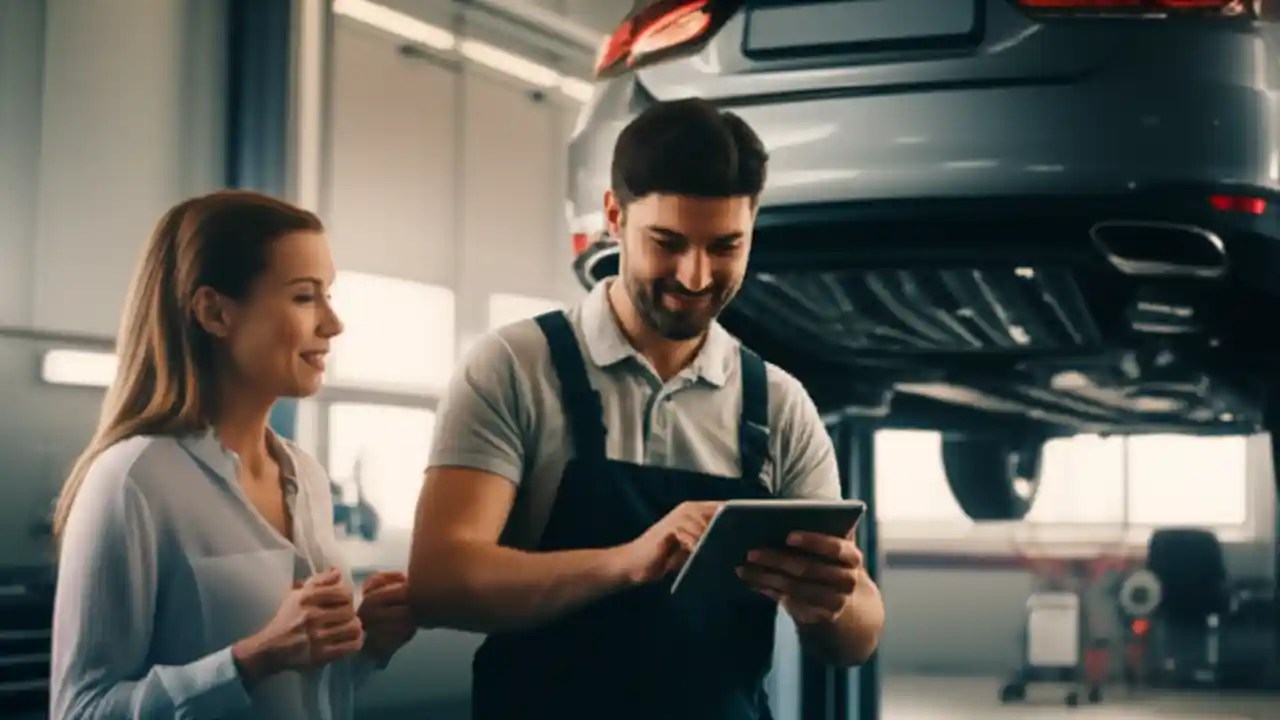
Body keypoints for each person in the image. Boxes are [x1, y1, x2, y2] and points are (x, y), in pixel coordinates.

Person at [407, 98, 886, 719]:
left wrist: (833, 604)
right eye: (668, 242)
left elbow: (859, 634)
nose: (694, 275)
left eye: (725, 246)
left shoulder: (779, 403)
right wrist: (627, 562)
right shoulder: (515, 366)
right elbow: (440, 582)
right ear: (614, 215)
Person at [49, 190, 417, 719]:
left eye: (328, 295)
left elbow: (300, 698)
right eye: (304, 297)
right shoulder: (133, 480)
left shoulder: (306, 477)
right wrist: (253, 658)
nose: (333, 324)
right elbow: (79, 710)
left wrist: (369, 646)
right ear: (215, 312)